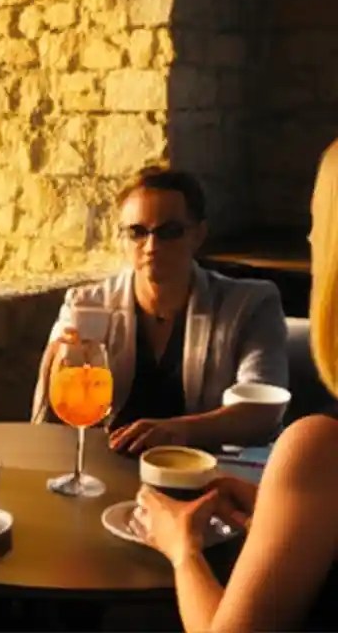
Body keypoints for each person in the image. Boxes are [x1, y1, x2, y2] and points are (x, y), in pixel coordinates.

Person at [132, 139, 338, 631]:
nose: (310, 239)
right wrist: (278, 508)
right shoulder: (93, 304)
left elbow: (263, 404)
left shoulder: (322, 449)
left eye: (318, 222)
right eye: (137, 231)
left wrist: (181, 548)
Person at [31, 166, 288, 454]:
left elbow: (263, 412)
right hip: (108, 463)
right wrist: (57, 359)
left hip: (205, 468)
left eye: (170, 232)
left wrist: (180, 430)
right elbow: (50, 412)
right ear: (121, 238)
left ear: (198, 235)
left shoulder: (249, 305)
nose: (151, 246)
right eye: (137, 232)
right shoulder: (86, 304)